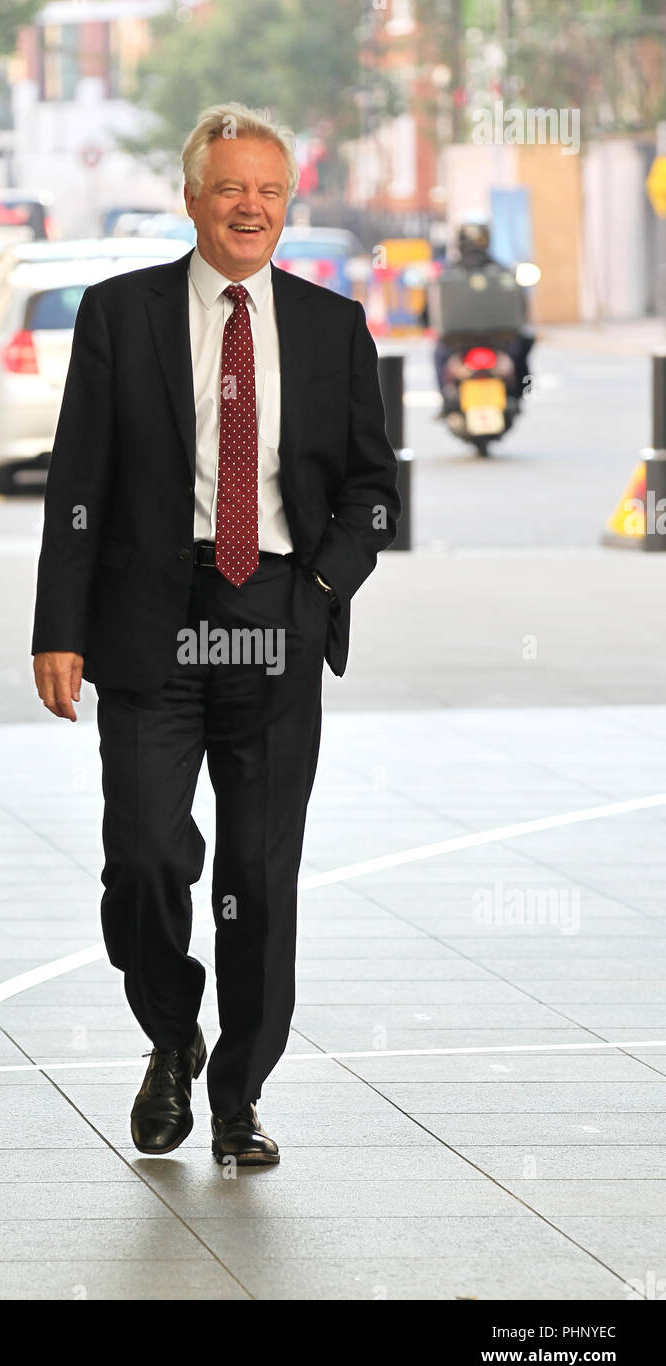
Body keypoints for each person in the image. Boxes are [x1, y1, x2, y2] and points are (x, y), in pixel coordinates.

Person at [32, 102, 400, 1166]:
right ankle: (172, 1033)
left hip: (277, 615)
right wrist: (59, 626)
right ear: (192, 197)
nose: (251, 206)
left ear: (289, 204)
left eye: (269, 190)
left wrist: (323, 584)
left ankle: (237, 1094)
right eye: (231, 187)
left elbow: (373, 492)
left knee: (258, 872)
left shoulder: (333, 328)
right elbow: (76, 485)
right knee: (145, 859)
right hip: (152, 621)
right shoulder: (120, 314)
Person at [430, 217, 535, 399]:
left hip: (459, 342)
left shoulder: (447, 273)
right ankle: (523, 391)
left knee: (439, 354)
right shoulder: (503, 271)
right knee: (524, 345)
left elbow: (430, 311)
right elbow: (521, 307)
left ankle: (445, 398)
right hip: (500, 340)